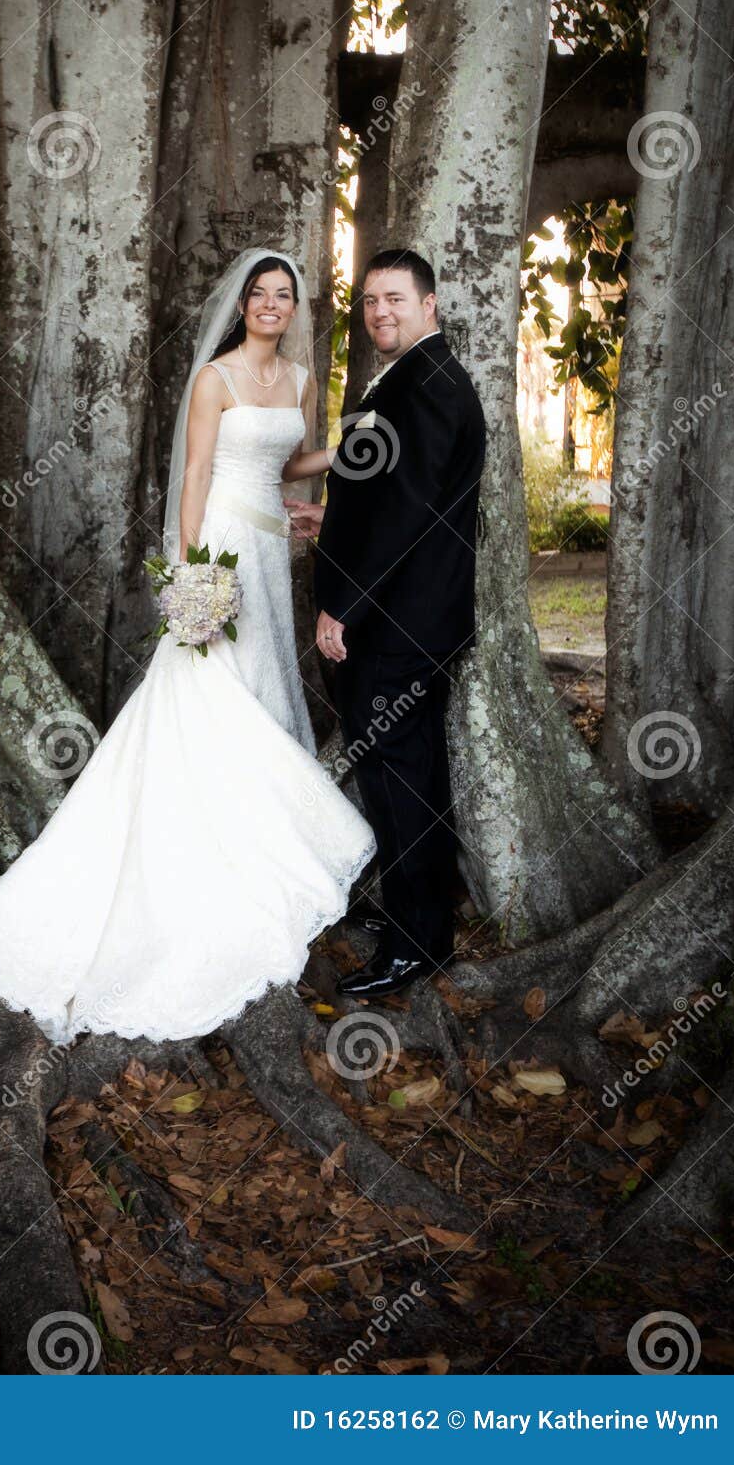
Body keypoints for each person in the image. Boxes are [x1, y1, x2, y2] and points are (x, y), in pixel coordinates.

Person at [0, 249, 375, 1044]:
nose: (272, 306)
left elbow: (292, 462)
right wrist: (192, 572)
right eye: (260, 295)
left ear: (295, 307)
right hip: (219, 545)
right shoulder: (215, 379)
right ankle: (201, 854)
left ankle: (251, 837)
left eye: (284, 296)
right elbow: (198, 471)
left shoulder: (303, 384)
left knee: (263, 682)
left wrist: (353, 449)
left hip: (273, 548)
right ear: (243, 305)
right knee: (209, 686)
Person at [288, 249, 485, 998]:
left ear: (428, 305)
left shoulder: (428, 382)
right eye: (370, 301)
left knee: (399, 776)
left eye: (395, 299)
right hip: (406, 616)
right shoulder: (408, 377)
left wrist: (345, 604)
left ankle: (418, 942)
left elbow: (409, 515)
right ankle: (415, 911)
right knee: (402, 770)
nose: (380, 313)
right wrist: (331, 518)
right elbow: (391, 497)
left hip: (401, 623)